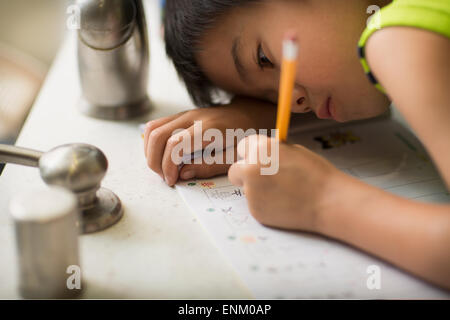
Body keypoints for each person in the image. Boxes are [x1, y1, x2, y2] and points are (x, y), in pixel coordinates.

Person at [143, 0, 450, 289]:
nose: (293, 102)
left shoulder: (400, 41)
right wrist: (252, 114)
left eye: (263, 59)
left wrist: (322, 200)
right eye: (270, 97)